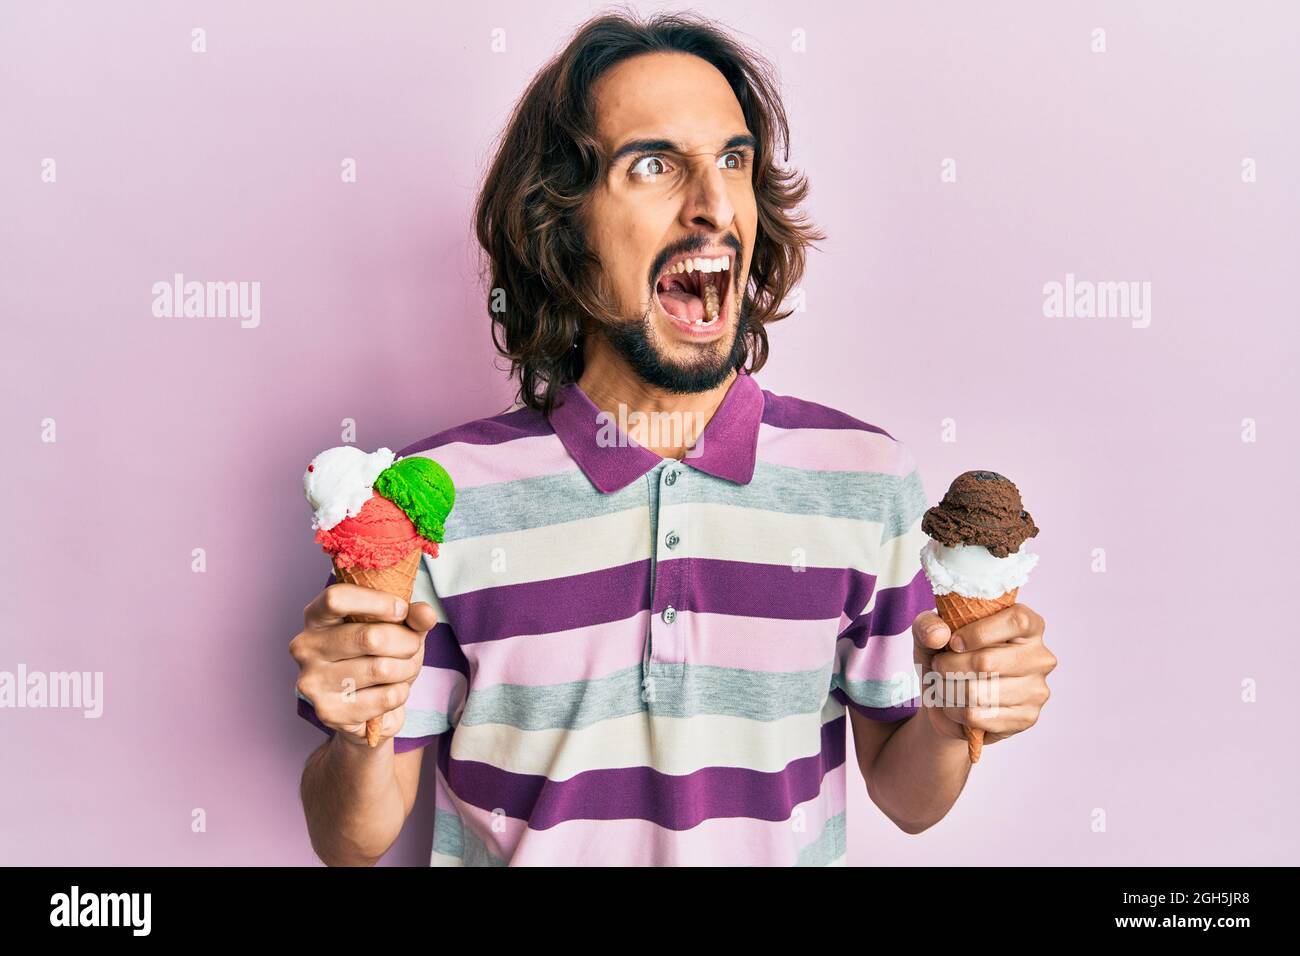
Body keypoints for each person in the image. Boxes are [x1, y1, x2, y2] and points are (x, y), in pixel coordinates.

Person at [291, 11, 1056, 866]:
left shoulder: (866, 481)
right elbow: (351, 840)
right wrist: (357, 729)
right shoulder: (436, 497)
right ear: (561, 226)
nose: (714, 204)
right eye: (653, 165)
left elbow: (908, 799)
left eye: (733, 161)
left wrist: (951, 719)